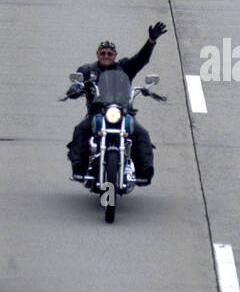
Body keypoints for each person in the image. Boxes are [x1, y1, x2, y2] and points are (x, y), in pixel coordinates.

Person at [66, 26, 167, 181]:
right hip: (97, 112)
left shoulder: (124, 68)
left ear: (115, 55)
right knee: (80, 130)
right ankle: (79, 167)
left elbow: (141, 59)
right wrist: (75, 89)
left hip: (123, 112)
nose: (106, 56)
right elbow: (78, 83)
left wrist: (151, 41)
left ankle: (144, 171)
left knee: (141, 133)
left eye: (109, 53)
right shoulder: (87, 70)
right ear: (97, 54)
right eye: (103, 53)